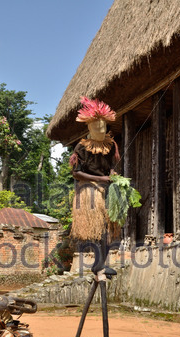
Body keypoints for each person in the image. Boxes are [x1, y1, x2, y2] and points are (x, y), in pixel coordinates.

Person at [69, 96, 121, 271]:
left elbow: (112, 166)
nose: (101, 128)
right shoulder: (81, 148)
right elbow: (76, 173)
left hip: (107, 190)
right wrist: (100, 179)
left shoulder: (111, 145)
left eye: (103, 126)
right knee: (96, 229)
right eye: (97, 126)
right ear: (90, 126)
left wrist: (113, 175)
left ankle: (101, 264)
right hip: (88, 190)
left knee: (109, 229)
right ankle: (98, 264)